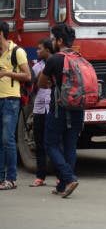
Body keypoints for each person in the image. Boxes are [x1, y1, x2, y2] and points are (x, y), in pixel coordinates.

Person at [37, 24, 80, 197]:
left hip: (59, 108)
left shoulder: (55, 59)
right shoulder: (79, 57)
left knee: (50, 143)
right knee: (70, 145)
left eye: (54, 39)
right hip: (78, 108)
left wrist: (52, 82)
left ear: (60, 41)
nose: (52, 42)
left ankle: (69, 178)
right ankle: (63, 185)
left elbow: (41, 82)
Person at [0, 22, 32, 191]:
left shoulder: (17, 52)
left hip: (11, 100)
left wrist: (7, 73)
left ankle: (11, 179)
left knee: (7, 139)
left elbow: (27, 75)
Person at [29, 38, 53, 187]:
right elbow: (32, 86)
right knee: (39, 144)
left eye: (39, 49)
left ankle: (60, 176)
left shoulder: (57, 64)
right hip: (39, 109)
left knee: (54, 143)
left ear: (48, 50)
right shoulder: (37, 67)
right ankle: (40, 176)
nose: (37, 51)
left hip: (52, 109)